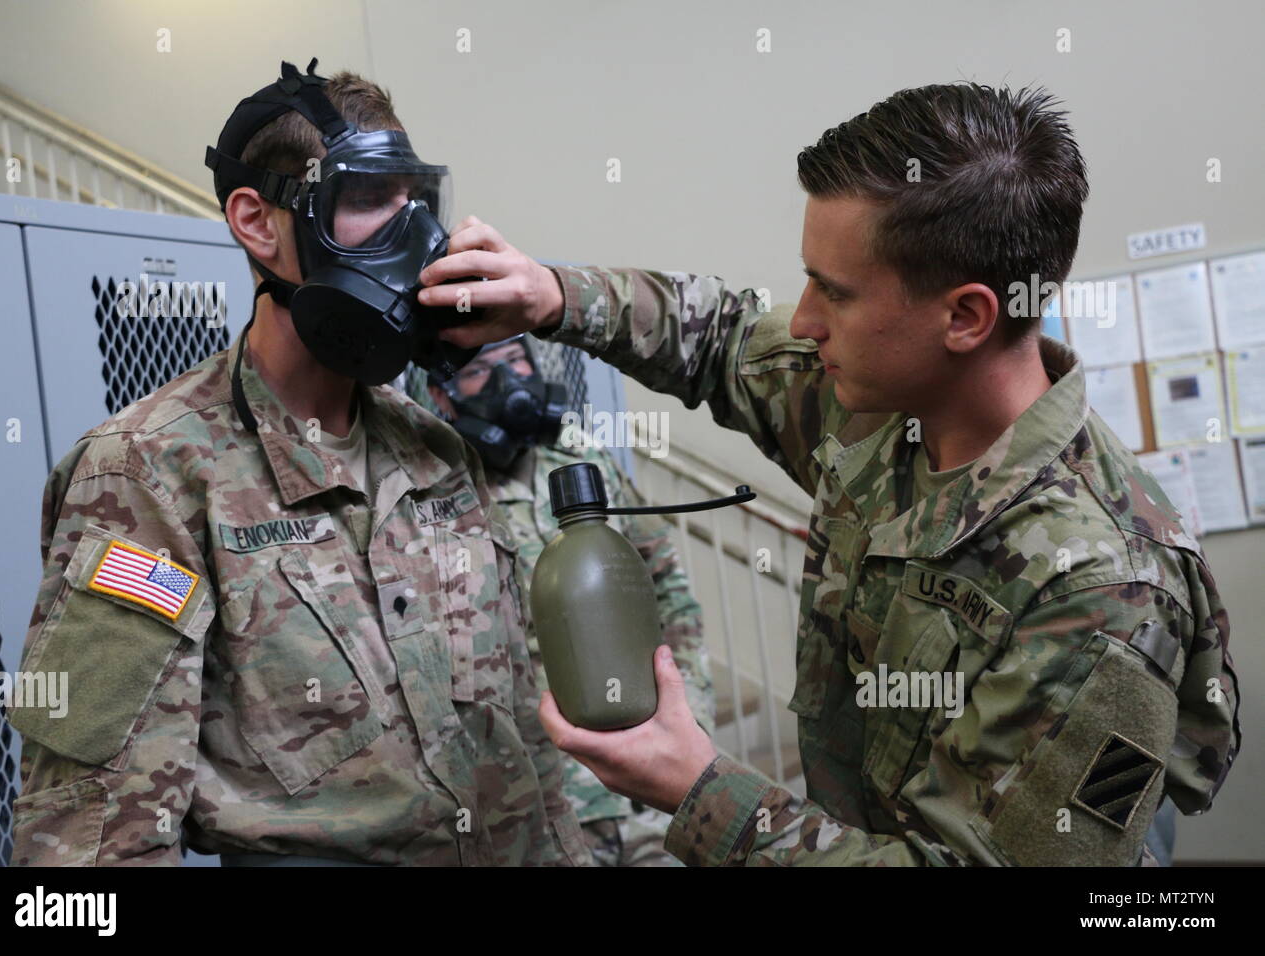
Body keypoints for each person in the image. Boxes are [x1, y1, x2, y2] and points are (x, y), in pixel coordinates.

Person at [416, 82, 1242, 865]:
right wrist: (550, 296)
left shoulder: (1104, 587)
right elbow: (718, 337)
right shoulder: (879, 407)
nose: (804, 321)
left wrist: (700, 791)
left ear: (966, 316)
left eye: (833, 292)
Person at [5, 60, 590, 866]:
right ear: (256, 220)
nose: (414, 236)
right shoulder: (148, 473)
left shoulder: (435, 450)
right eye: (365, 199)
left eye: (415, 200)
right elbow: (91, 836)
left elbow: (521, 735)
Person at [410, 334, 715, 865]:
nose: (510, 382)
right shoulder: (430, 497)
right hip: (541, 797)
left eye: (516, 362)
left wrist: (690, 704)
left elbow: (666, 584)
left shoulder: (583, 461)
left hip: (651, 774)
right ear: (442, 396)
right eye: (481, 371)